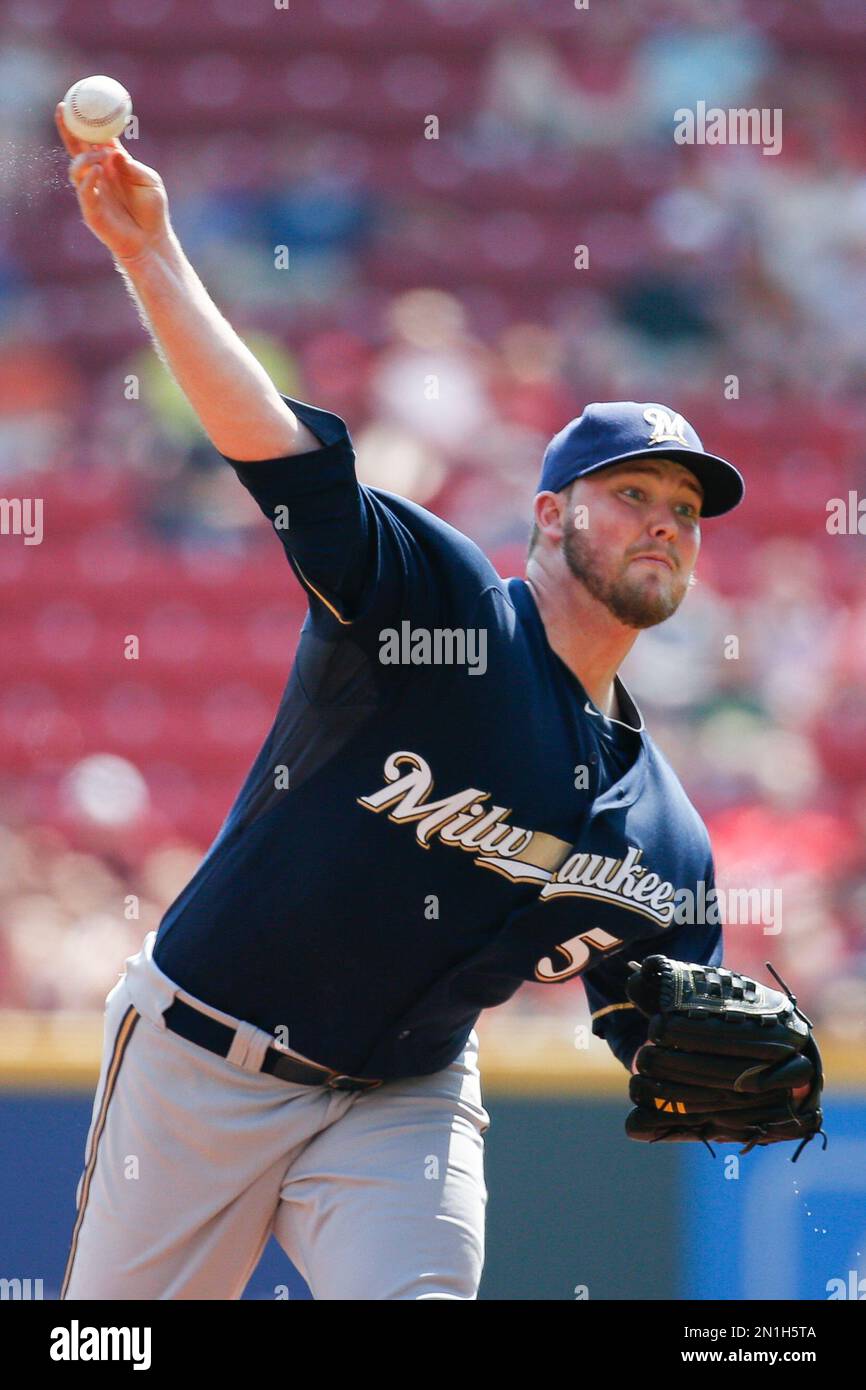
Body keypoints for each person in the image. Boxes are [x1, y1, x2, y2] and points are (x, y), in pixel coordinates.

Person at [57, 111, 762, 1303]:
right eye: (632, 492)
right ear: (547, 515)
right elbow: (275, 452)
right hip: (202, 1061)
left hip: (406, 1098)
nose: (662, 523)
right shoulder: (434, 605)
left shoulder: (663, 835)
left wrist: (720, 1080)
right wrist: (150, 257)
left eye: (685, 512)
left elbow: (670, 1041)